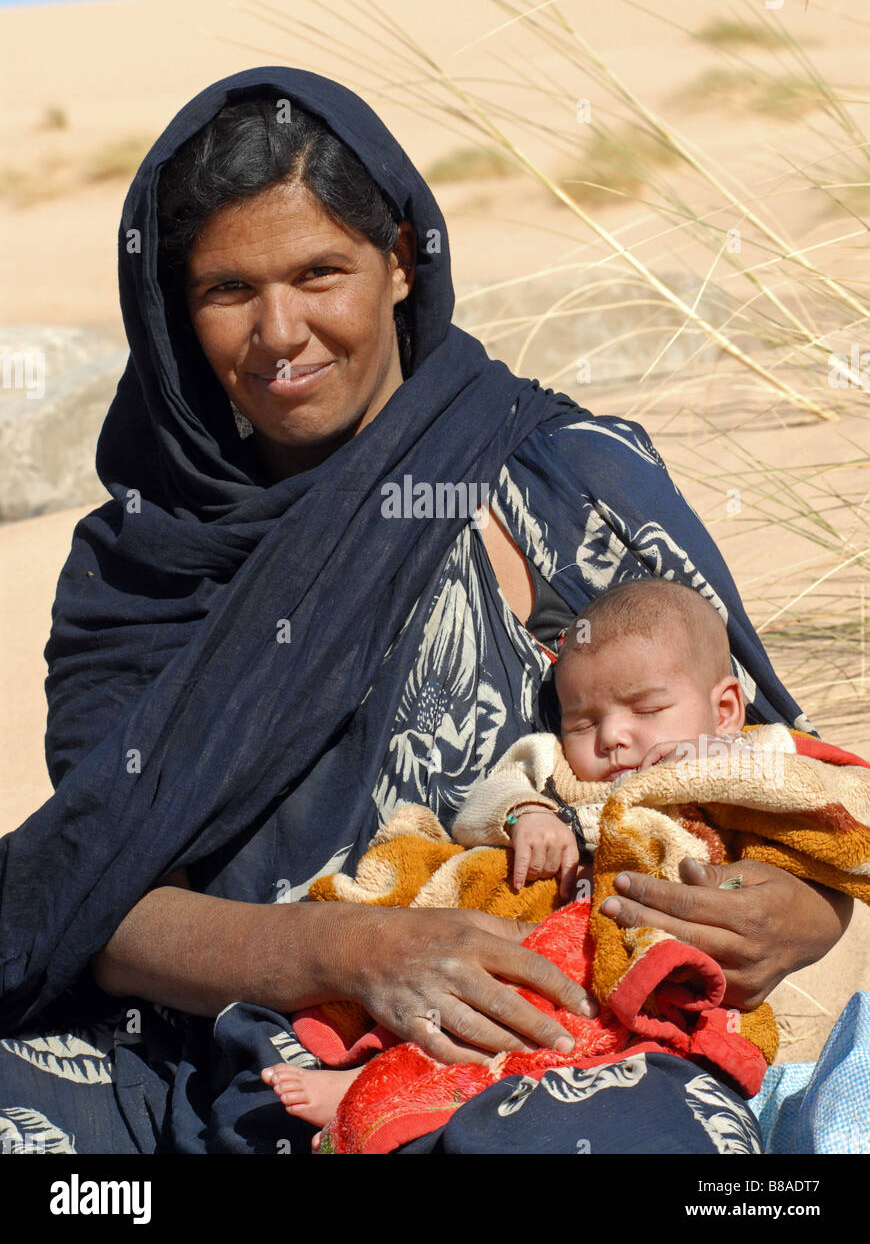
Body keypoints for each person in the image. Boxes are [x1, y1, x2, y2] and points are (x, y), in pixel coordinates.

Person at [0, 66, 853, 1156]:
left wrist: (793, 918)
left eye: (322, 272)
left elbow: (786, 797)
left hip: (554, 1042)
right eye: (227, 291)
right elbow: (95, 903)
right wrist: (348, 955)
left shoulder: (569, 483)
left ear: (400, 261)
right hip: (198, 1059)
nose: (280, 332)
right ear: (172, 306)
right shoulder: (139, 565)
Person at [258, 578, 868, 1147]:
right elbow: (487, 800)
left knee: (624, 1055)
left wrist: (753, 868)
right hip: (556, 954)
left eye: (647, 709)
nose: (612, 738)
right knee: (484, 1025)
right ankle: (376, 1087)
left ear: (727, 710)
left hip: (659, 980)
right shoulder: (559, 773)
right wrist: (528, 816)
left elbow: (827, 817)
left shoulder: (740, 769)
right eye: (585, 721)